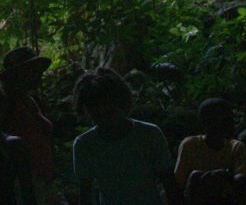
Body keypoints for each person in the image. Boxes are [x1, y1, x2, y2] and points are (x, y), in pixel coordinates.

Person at [72, 67, 183, 205]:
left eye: (109, 112)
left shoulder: (149, 135)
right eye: (97, 116)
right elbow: (86, 196)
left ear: (121, 103)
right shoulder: (84, 145)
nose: (105, 120)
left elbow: (170, 184)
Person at [0, 46, 55, 201]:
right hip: (20, 184)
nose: (39, 75)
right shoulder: (4, 105)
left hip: (43, 179)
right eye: (33, 71)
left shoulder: (32, 101)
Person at [174, 98, 246, 204]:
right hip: (198, 199)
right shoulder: (190, 145)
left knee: (241, 179)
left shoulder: (236, 147)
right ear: (205, 123)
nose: (219, 125)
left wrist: (222, 177)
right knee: (196, 176)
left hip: (225, 198)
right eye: (214, 120)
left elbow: (242, 178)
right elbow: (178, 183)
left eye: (224, 120)